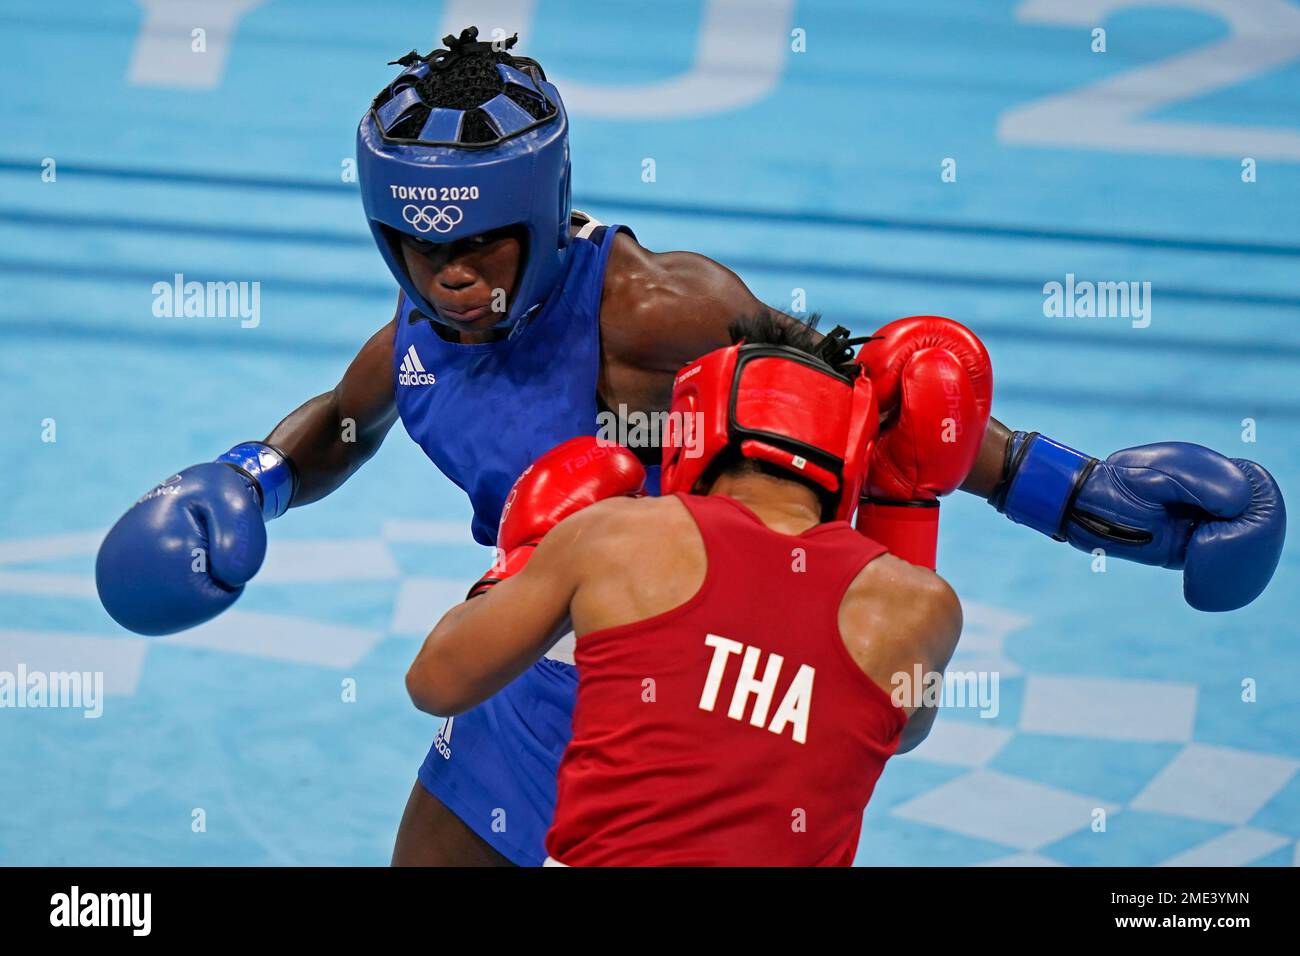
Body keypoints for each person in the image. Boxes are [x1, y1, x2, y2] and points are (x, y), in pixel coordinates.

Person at [95, 27, 1287, 866]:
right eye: (408, 244)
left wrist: (1066, 489)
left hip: (679, 664)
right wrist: (251, 477)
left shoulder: (654, 308)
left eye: (477, 246)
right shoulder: (422, 323)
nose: (447, 274)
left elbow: (861, 387)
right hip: (526, 645)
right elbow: (349, 419)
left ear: (541, 208)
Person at [406, 314, 976, 865]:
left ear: (695, 426)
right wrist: (903, 507)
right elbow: (899, 731)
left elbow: (435, 682)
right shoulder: (923, 609)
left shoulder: (616, 537)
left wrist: (520, 561)